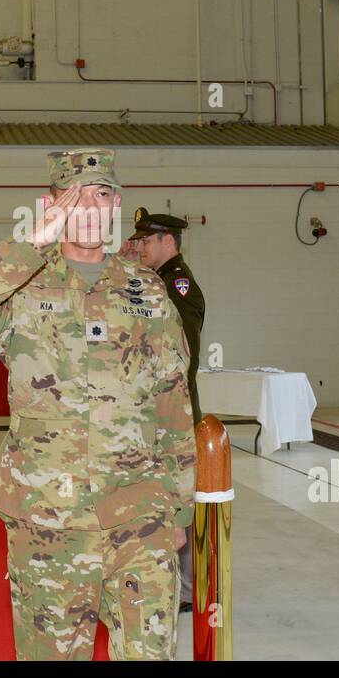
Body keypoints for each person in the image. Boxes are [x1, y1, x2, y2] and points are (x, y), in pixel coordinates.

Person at [0, 149, 196, 660]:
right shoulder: (21, 283)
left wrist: (179, 510)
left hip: (140, 515)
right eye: (74, 196)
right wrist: (31, 243)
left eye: (101, 194)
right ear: (50, 204)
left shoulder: (147, 291)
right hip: (48, 520)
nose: (91, 207)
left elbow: (173, 403)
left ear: (116, 203)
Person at [127, 207, 205, 613]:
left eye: (145, 240)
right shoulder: (152, 283)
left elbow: (182, 356)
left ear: (167, 241)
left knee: (177, 496)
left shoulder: (178, 287)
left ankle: (189, 589)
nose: (138, 246)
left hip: (170, 413)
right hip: (147, 414)